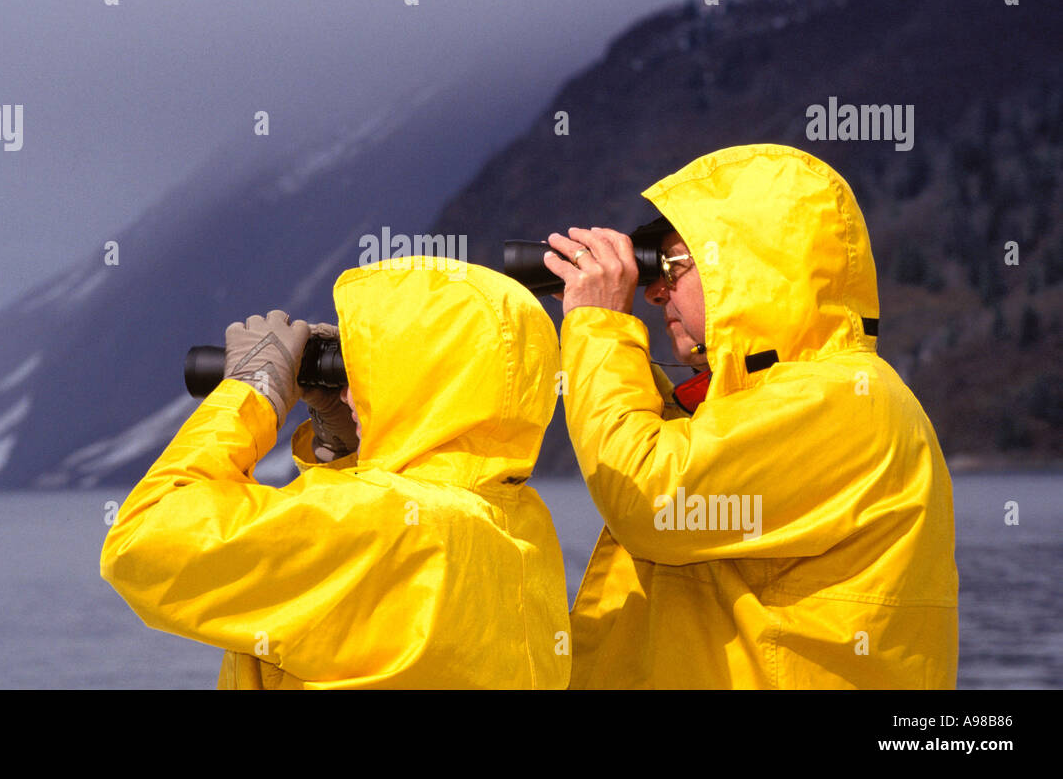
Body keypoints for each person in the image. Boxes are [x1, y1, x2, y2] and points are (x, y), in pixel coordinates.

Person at [543, 142, 959, 689]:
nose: (655, 292)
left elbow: (652, 498)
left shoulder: (843, 399)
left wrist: (598, 326)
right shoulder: (773, 401)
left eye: (671, 266)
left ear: (751, 270)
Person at [100, 256, 572, 689]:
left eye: (370, 377)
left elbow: (144, 539)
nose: (348, 393)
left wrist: (251, 390)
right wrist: (342, 449)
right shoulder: (516, 525)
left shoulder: (388, 526)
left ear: (424, 382)